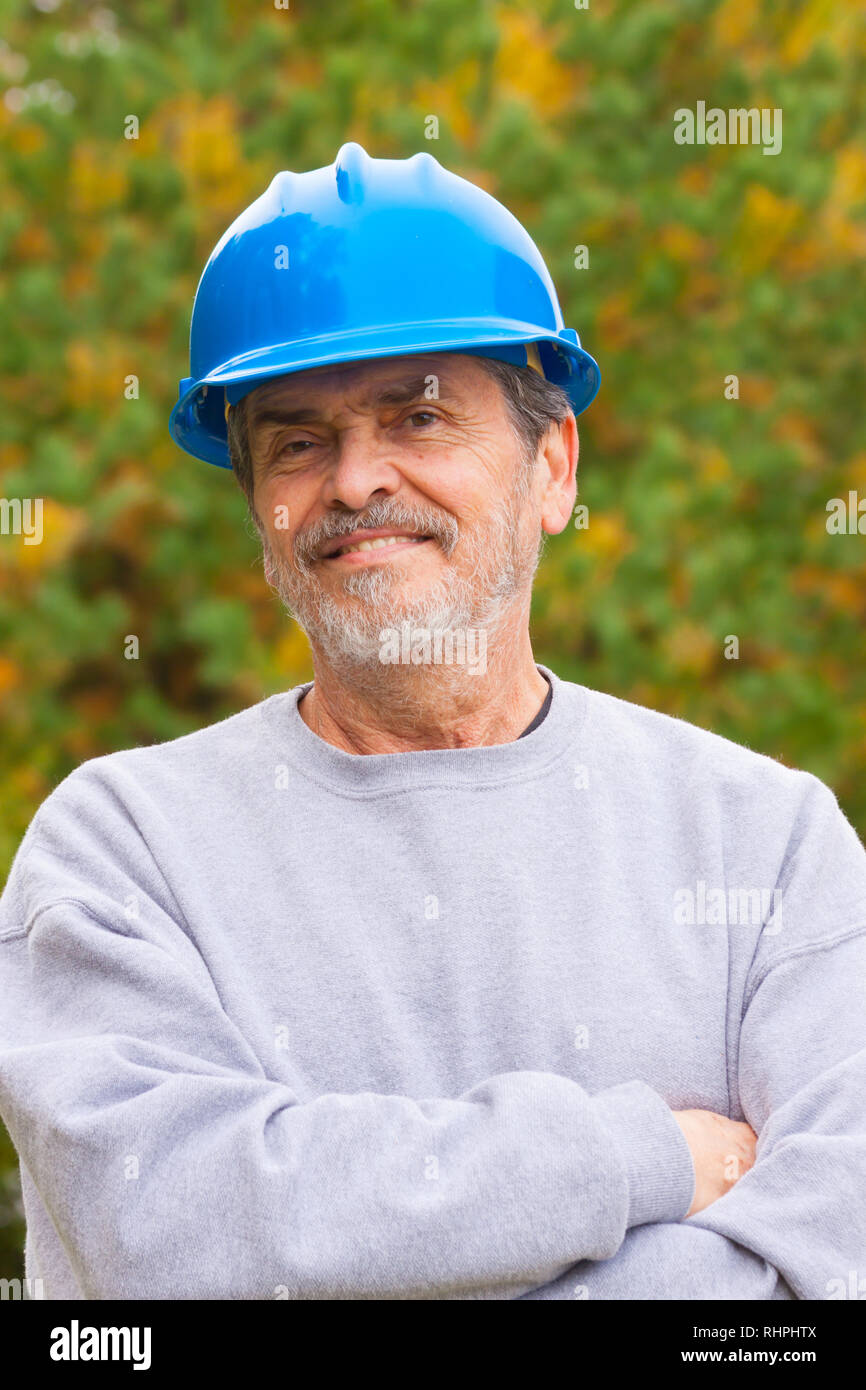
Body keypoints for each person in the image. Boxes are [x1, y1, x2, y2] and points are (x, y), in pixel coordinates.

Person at [0, 145, 864, 1300]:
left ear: (552, 467)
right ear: (260, 505)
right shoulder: (122, 851)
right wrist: (640, 1160)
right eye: (297, 438)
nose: (356, 481)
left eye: (418, 415)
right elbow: (164, 1246)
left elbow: (824, 1274)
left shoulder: (764, 845)